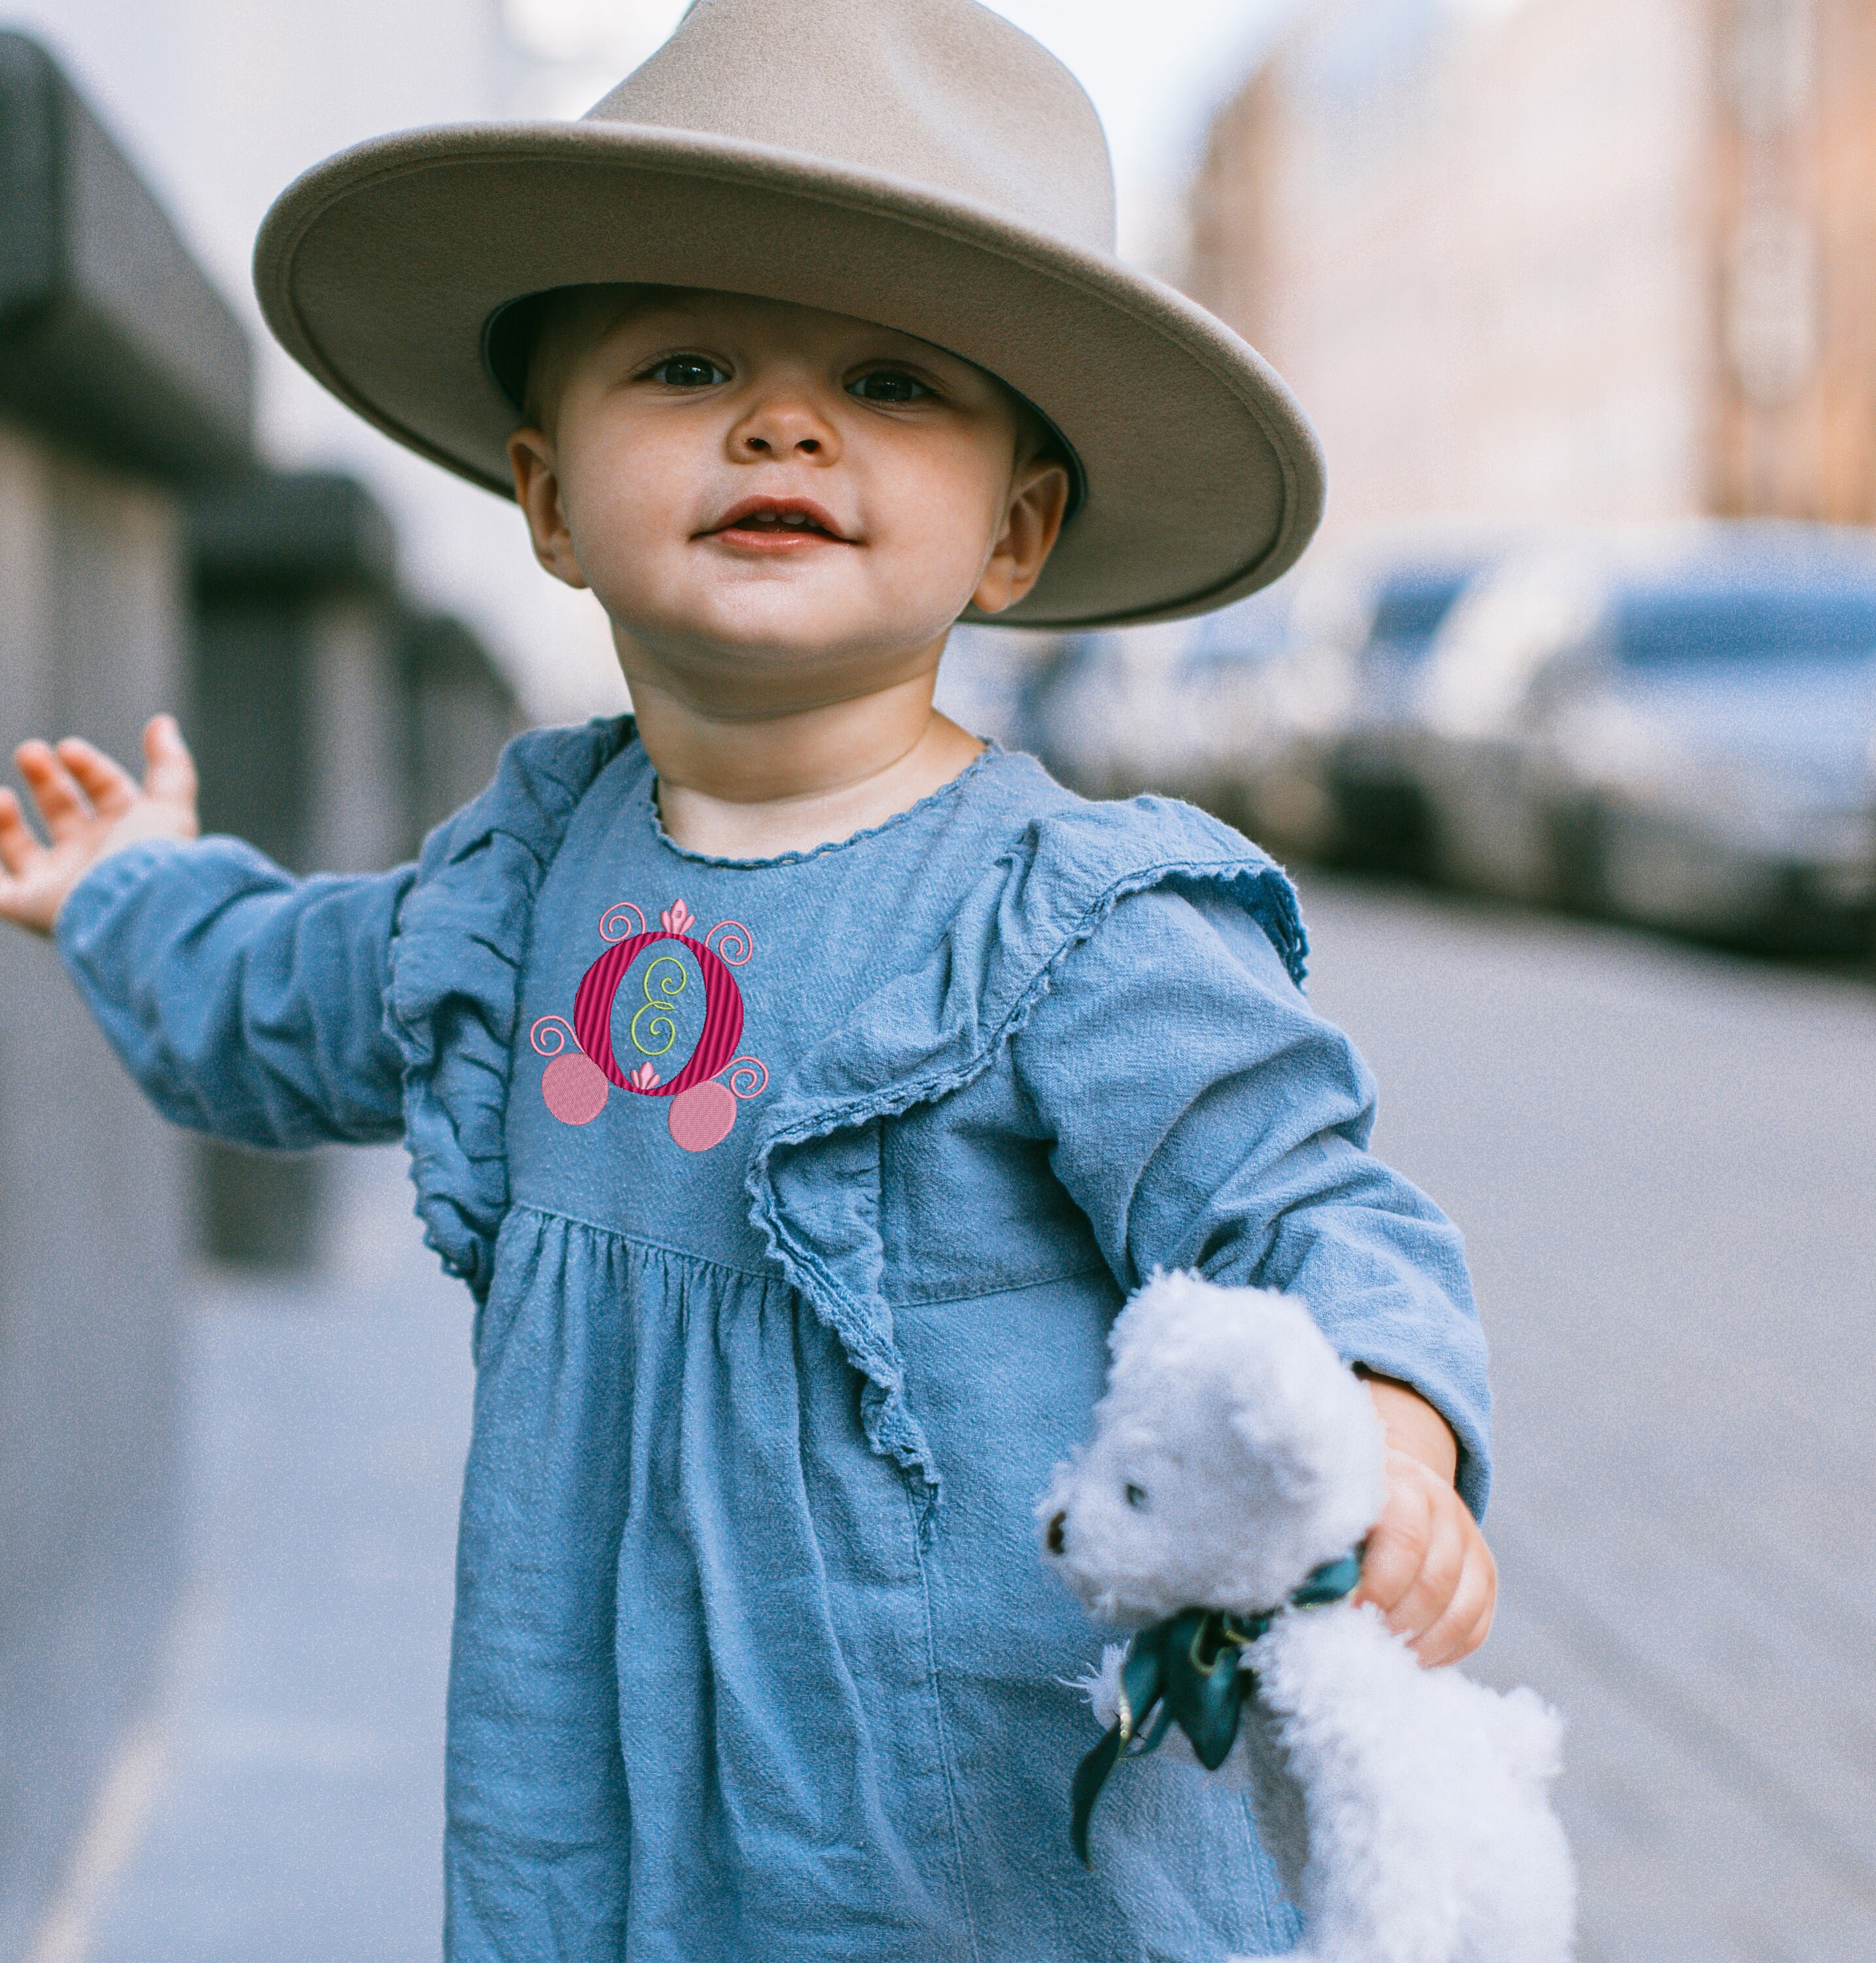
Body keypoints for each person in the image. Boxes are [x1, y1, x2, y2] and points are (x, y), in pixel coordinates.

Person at [0, 3, 1496, 1956]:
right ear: (546, 498)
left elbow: (1305, 1203)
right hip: (598, 1770)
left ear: (1017, 531)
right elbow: (286, 998)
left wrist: (1389, 1423)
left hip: (961, 1822)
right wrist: (131, 889)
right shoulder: (525, 884)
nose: (782, 423)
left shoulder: (1069, 921)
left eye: (889, 380)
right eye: (688, 362)